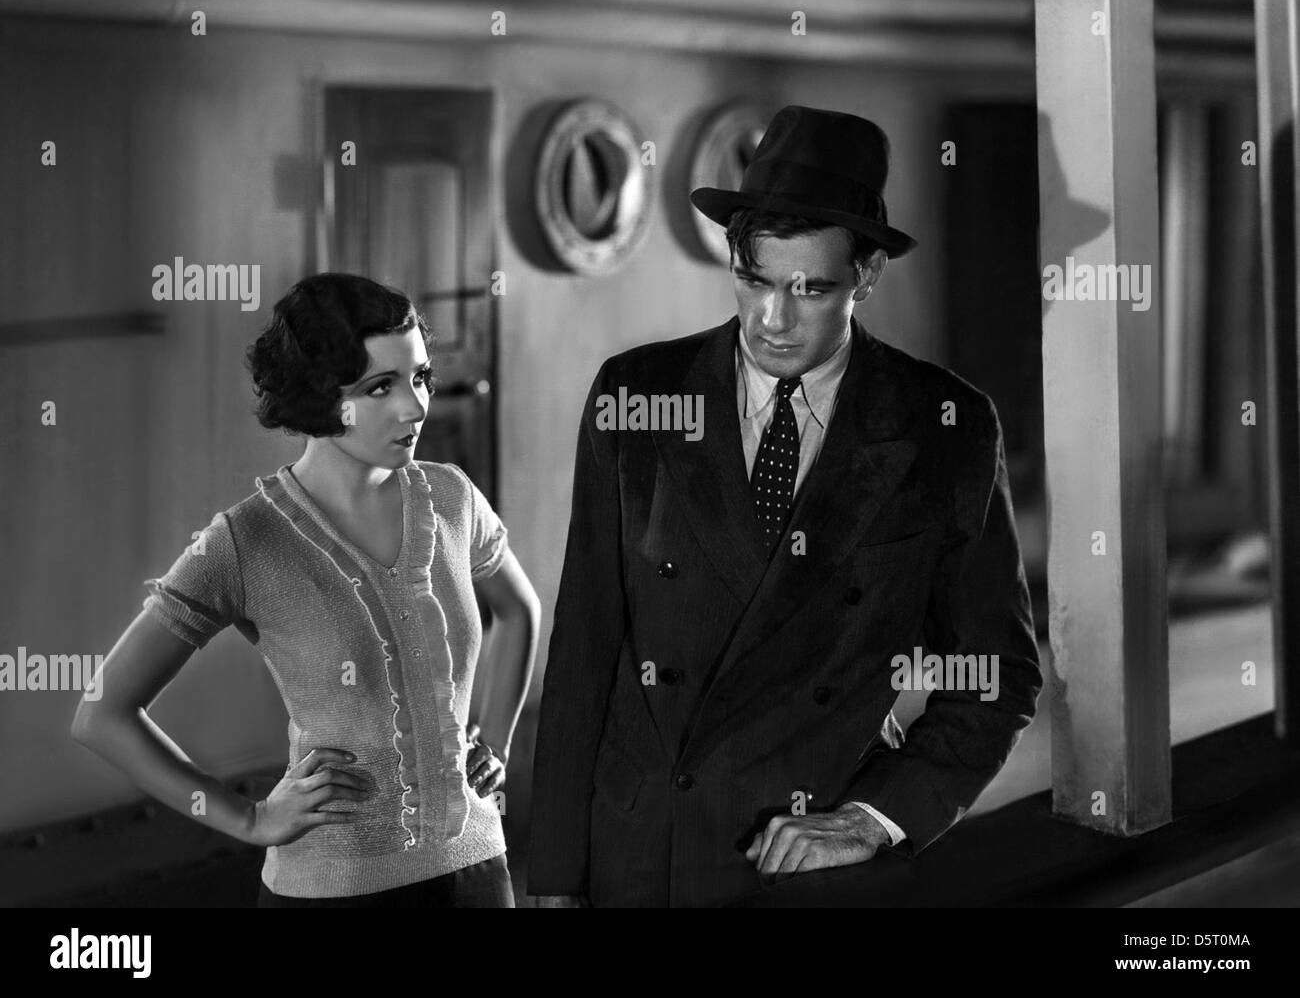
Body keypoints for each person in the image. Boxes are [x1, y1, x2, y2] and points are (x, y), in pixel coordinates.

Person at [529, 105, 1043, 907]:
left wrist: (875, 818)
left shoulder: (945, 424)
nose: (773, 319)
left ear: (866, 276)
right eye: (755, 280)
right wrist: (555, 879)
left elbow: (998, 676)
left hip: (812, 863)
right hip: (643, 855)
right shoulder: (637, 395)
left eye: (810, 289)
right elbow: (584, 648)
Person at [72, 273, 539, 908]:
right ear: (322, 397)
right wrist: (249, 819)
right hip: (328, 890)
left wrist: (496, 739)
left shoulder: (452, 496)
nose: (416, 405)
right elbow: (102, 715)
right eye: (381, 387)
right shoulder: (247, 541)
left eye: (421, 377)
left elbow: (520, 609)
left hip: (479, 872)